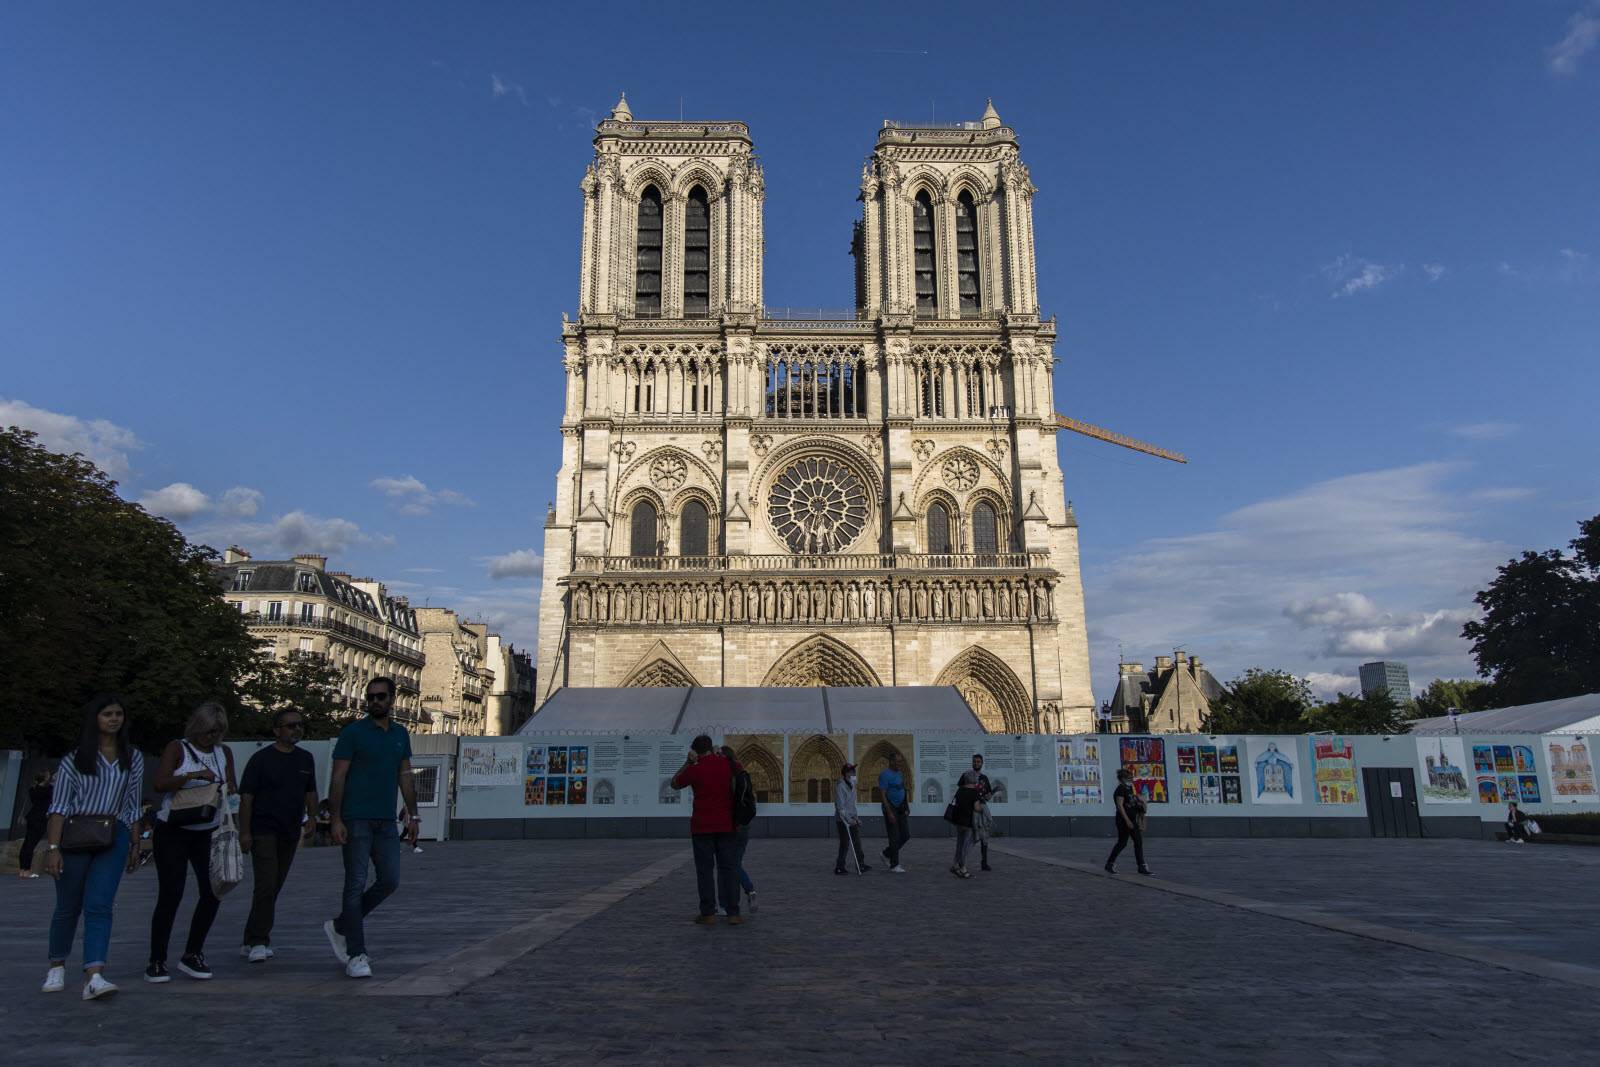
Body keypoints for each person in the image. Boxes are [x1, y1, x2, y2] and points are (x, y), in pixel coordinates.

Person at [40, 695, 145, 1001]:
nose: (114, 719)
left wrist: (135, 842)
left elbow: (133, 803)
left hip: (113, 834)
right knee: (68, 905)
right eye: (107, 714)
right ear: (94, 719)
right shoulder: (75, 759)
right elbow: (58, 806)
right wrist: (53, 848)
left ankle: (94, 975)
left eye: (118, 714)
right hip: (74, 835)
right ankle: (56, 965)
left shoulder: (132, 757)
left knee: (100, 904)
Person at [324, 677, 421, 979]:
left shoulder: (400, 734)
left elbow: (405, 775)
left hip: (385, 820)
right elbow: (338, 777)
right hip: (355, 818)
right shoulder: (352, 733)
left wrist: (413, 816)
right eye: (371, 697)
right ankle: (356, 953)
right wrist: (336, 818)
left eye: (381, 696)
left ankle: (342, 925)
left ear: (393, 699)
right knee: (355, 882)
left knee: (390, 880)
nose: (375, 701)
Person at [147, 702, 237, 983]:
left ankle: (192, 953)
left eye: (217, 732)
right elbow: (159, 784)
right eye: (208, 731)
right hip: (173, 828)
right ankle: (157, 959)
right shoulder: (179, 748)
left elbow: (232, 784)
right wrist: (194, 776)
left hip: (207, 829)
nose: (212, 737)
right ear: (197, 727)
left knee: (213, 891)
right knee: (171, 893)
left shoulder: (224, 752)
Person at [238, 707, 318, 962]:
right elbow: (247, 798)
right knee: (266, 884)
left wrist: (313, 817)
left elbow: (310, 791)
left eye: (299, 725)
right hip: (263, 829)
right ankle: (259, 940)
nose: (296, 729)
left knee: (274, 885)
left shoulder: (305, 759)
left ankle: (250, 938)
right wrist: (245, 832)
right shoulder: (261, 759)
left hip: (290, 829)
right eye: (290, 725)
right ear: (276, 731)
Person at [670, 735, 741, 925]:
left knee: (705, 871)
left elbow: (674, 783)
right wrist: (723, 756)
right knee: (729, 869)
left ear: (695, 750)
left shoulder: (695, 769)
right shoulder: (725, 764)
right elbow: (740, 770)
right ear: (711, 747)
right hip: (726, 825)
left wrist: (687, 762)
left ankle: (708, 913)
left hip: (702, 827)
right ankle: (733, 912)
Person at [720, 745, 757, 913]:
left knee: (728, 865)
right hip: (745, 825)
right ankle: (745, 894)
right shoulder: (742, 773)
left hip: (732, 825)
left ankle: (730, 901)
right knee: (735, 863)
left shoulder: (727, 775)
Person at [1105, 767, 1152, 876]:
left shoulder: (1129, 788)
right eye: (1128, 778)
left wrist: (1139, 803)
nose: (1131, 780)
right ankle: (1111, 864)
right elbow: (1120, 806)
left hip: (1131, 819)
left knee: (1136, 841)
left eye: (1131, 778)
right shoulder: (1120, 790)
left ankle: (1140, 866)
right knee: (1124, 843)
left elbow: (1130, 802)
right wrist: (1127, 820)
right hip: (1124, 820)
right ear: (1122, 779)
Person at [957, 753, 995, 872]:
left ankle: (984, 862)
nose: (976, 763)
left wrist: (991, 794)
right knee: (969, 838)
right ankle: (961, 864)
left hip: (981, 808)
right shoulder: (966, 775)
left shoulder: (984, 778)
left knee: (984, 835)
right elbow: (961, 791)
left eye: (978, 761)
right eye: (974, 761)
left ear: (982, 763)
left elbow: (988, 796)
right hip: (970, 810)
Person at [833, 763, 870, 874]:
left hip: (852, 818)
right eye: (852, 771)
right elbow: (841, 807)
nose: (854, 772)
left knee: (857, 842)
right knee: (845, 843)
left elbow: (852, 805)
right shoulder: (840, 786)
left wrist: (856, 818)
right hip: (842, 819)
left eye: (854, 770)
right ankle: (839, 867)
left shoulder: (852, 784)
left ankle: (861, 864)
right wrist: (849, 820)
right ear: (847, 773)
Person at [878, 750, 910, 873]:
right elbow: (883, 795)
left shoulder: (900, 773)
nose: (899, 764)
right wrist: (889, 812)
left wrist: (907, 807)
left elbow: (903, 790)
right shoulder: (884, 775)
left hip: (901, 808)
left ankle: (886, 853)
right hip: (891, 808)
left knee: (906, 835)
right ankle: (894, 864)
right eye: (897, 761)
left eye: (900, 761)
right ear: (891, 761)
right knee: (894, 836)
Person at [18, 771, 53, 878]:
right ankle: (27, 871)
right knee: (31, 844)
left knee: (27, 842)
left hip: (31, 817)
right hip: (41, 819)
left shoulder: (32, 789)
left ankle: (23, 870)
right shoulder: (49, 790)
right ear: (45, 778)